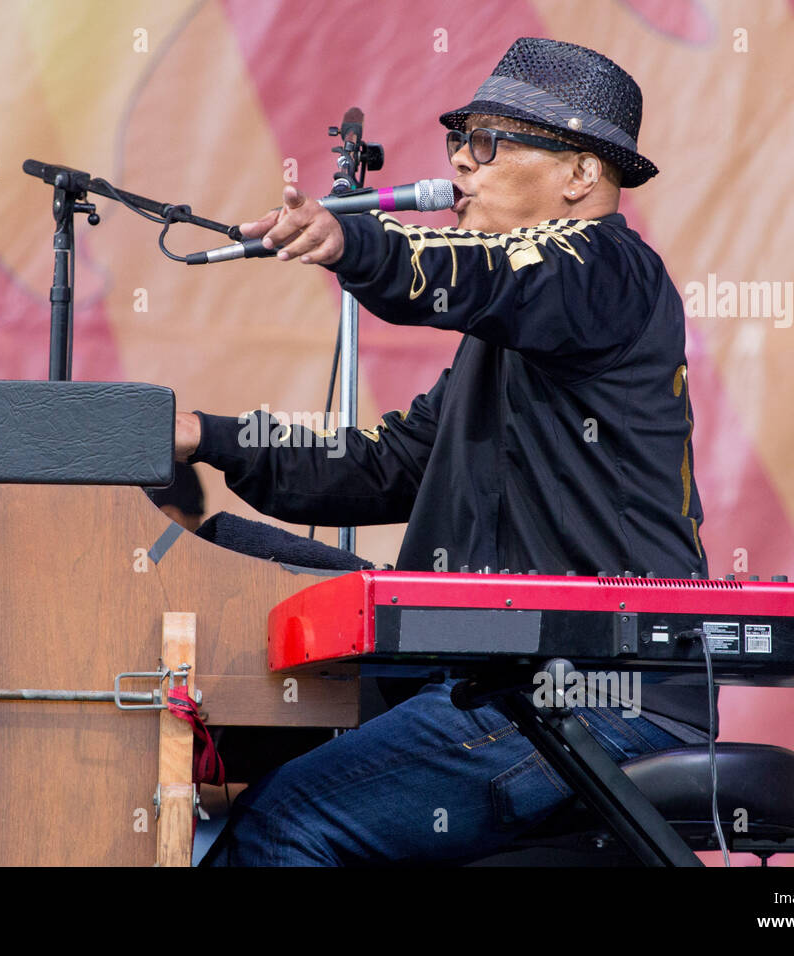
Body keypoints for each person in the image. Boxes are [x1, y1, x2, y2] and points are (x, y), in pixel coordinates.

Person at [176, 37, 712, 865]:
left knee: (292, 820)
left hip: (600, 691)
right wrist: (205, 438)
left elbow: (477, 274)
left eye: (490, 141)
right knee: (228, 588)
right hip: (504, 673)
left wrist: (357, 244)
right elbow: (381, 467)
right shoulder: (516, 334)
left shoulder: (605, 268)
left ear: (581, 175)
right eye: (459, 139)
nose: (461, 160)